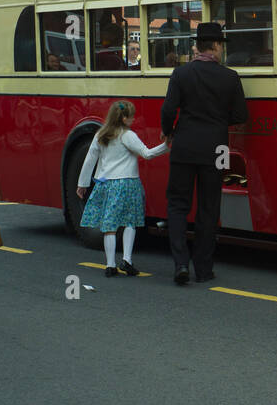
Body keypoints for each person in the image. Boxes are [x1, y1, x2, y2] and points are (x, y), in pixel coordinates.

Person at [160, 22, 249, 284]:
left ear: (197, 46)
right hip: (216, 148)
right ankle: (204, 269)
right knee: (209, 208)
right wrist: (220, 121)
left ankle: (180, 265)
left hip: (185, 145)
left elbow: (168, 110)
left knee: (177, 205)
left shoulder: (181, 73)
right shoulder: (230, 77)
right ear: (218, 46)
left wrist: (169, 131)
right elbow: (241, 115)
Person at [75, 100, 168, 277]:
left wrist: (83, 184)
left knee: (109, 225)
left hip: (106, 184)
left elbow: (89, 160)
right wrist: (166, 146)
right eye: (131, 117)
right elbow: (147, 154)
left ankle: (110, 265)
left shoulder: (100, 134)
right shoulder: (128, 135)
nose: (133, 119)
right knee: (130, 222)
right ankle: (127, 260)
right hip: (128, 183)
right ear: (124, 118)